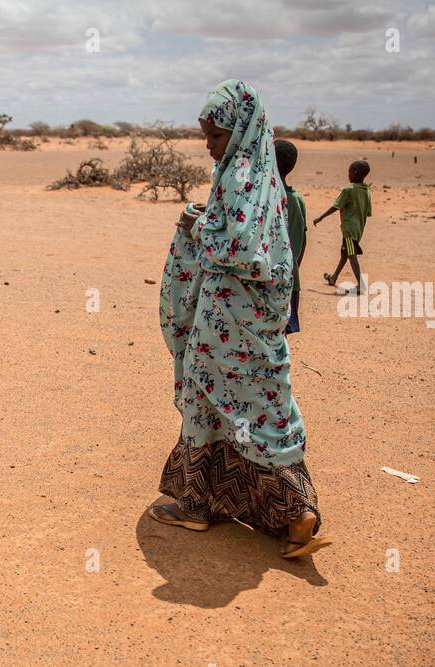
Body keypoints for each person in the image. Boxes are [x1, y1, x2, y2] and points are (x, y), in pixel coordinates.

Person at [154, 79, 329, 559]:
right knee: (256, 406)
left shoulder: (240, 175)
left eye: (215, 136)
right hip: (248, 321)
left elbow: (244, 250)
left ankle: (203, 503)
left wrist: (198, 226)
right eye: (206, 136)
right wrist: (208, 216)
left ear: (240, 129)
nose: (209, 147)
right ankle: (291, 512)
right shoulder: (264, 176)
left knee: (212, 399)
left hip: (229, 320)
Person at [316, 159, 372, 293]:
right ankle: (333, 277)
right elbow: (368, 212)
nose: (348, 175)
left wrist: (321, 217)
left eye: (349, 172)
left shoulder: (349, 190)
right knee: (344, 253)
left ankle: (361, 284)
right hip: (358, 229)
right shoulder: (367, 191)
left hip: (349, 230)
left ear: (355, 172)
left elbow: (336, 206)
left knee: (351, 254)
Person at [274, 139, 306, 334]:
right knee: (282, 332)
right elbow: (303, 238)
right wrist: (294, 268)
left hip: (269, 278)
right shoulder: (297, 200)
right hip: (291, 275)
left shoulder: (269, 198)